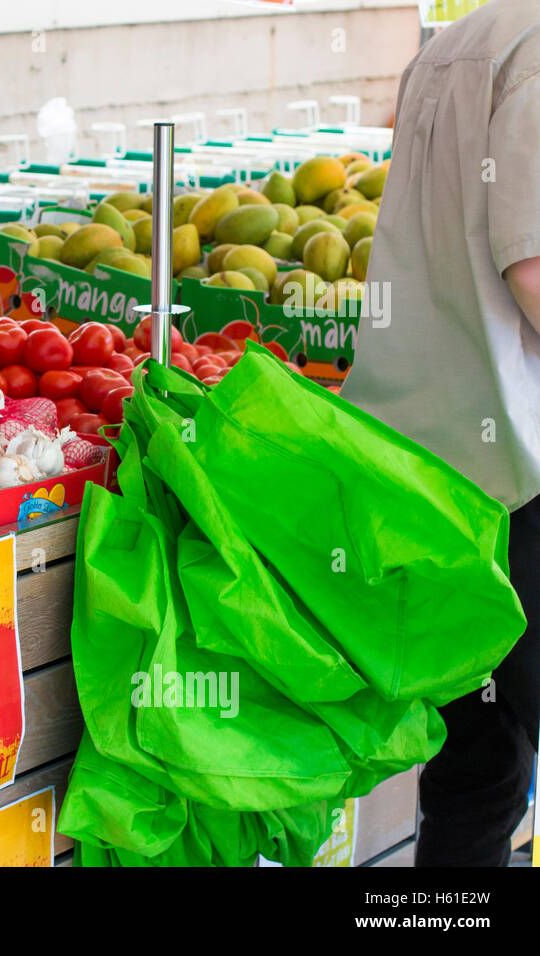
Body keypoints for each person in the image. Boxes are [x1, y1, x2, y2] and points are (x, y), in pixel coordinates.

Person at [342, 0, 540, 866]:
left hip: (432, 469)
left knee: (477, 767)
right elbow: (533, 266)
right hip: (521, 472)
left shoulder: (454, 44)